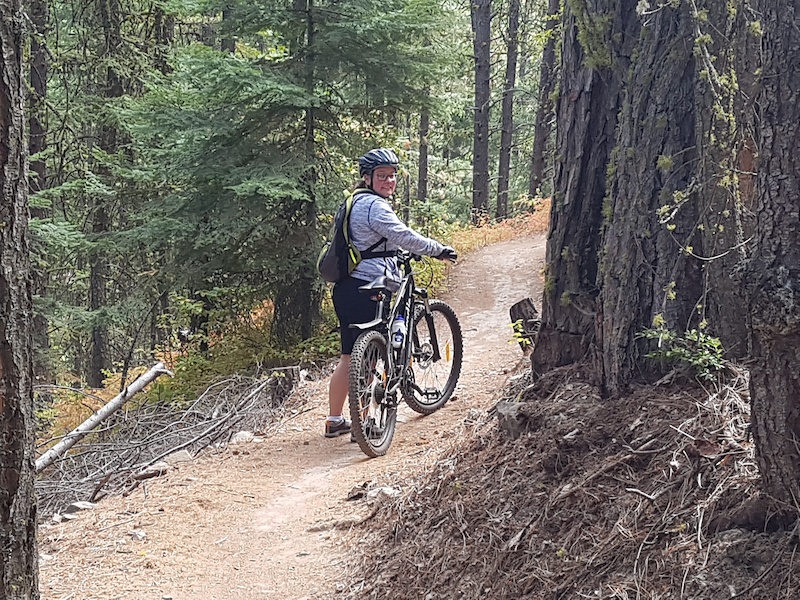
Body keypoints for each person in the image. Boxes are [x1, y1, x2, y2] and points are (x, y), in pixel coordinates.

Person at [325, 148, 457, 438]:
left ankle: (335, 420)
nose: (389, 181)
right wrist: (438, 250)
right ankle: (366, 423)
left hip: (346, 287)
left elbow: (371, 241)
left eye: (392, 176)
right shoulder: (375, 206)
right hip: (370, 288)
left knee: (349, 356)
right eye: (382, 176)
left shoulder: (352, 202)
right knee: (369, 358)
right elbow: (403, 235)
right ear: (367, 177)